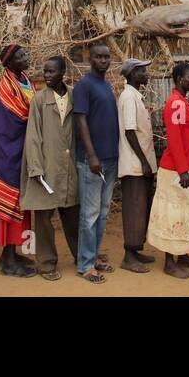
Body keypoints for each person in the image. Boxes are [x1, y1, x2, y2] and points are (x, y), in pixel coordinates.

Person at [21, 55, 79, 280]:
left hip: (70, 166)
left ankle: (81, 256)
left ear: (63, 72)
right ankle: (46, 264)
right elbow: (33, 137)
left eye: (52, 71)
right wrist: (35, 168)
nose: (47, 75)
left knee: (73, 213)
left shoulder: (75, 95)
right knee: (44, 218)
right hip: (46, 168)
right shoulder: (38, 100)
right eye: (45, 71)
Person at [0, 44, 36, 278]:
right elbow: (12, 121)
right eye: (20, 56)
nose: (26, 58)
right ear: (9, 62)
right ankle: (8, 258)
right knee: (11, 202)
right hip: (9, 153)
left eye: (25, 54)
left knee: (23, 203)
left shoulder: (24, 79)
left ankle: (13, 254)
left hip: (23, 150)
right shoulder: (6, 87)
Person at [148, 62, 189, 279]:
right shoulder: (176, 104)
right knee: (173, 216)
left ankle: (183, 255)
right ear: (181, 79)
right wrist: (182, 170)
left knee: (187, 212)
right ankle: (169, 262)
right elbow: (174, 139)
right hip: (177, 171)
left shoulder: (183, 101)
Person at [72, 43, 119, 283]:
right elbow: (80, 121)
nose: (103, 60)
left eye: (107, 57)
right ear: (91, 59)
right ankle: (86, 265)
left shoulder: (107, 85)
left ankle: (94, 257)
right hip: (92, 161)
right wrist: (91, 155)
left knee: (101, 213)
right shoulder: (83, 86)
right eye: (99, 57)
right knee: (89, 215)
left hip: (110, 159)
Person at [116, 58, 156, 274]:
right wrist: (143, 161)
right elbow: (129, 131)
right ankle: (129, 256)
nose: (146, 74)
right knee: (135, 210)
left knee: (141, 209)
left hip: (140, 165)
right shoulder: (128, 97)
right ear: (132, 74)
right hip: (134, 166)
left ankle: (135, 250)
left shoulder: (135, 97)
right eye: (142, 71)